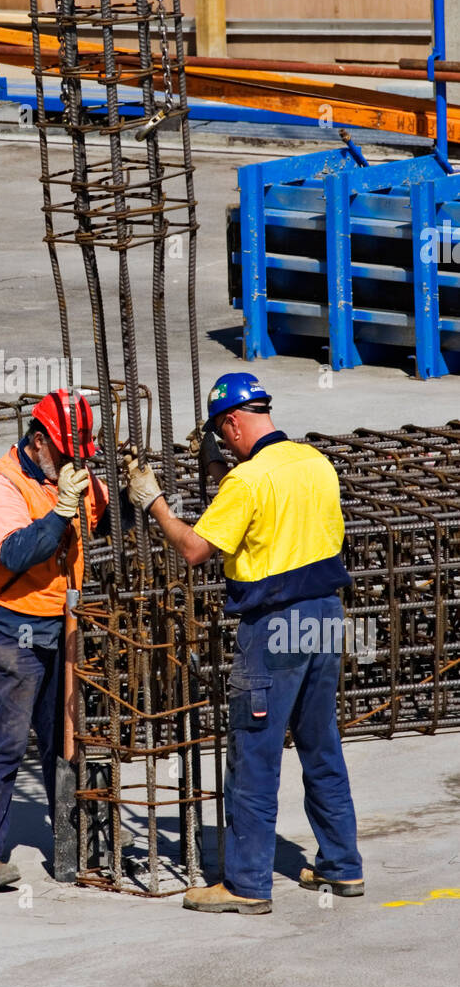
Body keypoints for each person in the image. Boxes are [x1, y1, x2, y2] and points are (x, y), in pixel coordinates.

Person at [125, 372, 363, 915]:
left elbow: (194, 549)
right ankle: (342, 867)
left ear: (231, 422)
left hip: (275, 625)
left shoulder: (248, 482)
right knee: (321, 745)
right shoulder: (314, 462)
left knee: (254, 753)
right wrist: (221, 472)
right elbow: (276, 516)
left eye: (220, 433)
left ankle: (247, 884)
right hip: (325, 617)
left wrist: (154, 502)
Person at [0, 389, 122, 890]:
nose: (73, 464)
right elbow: (18, 553)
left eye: (80, 456)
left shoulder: (71, 475)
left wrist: (136, 495)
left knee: (65, 741)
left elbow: (108, 524)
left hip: (62, 627)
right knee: (4, 742)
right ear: (39, 439)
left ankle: (77, 842)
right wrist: (62, 508)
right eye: (65, 453)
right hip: (12, 630)